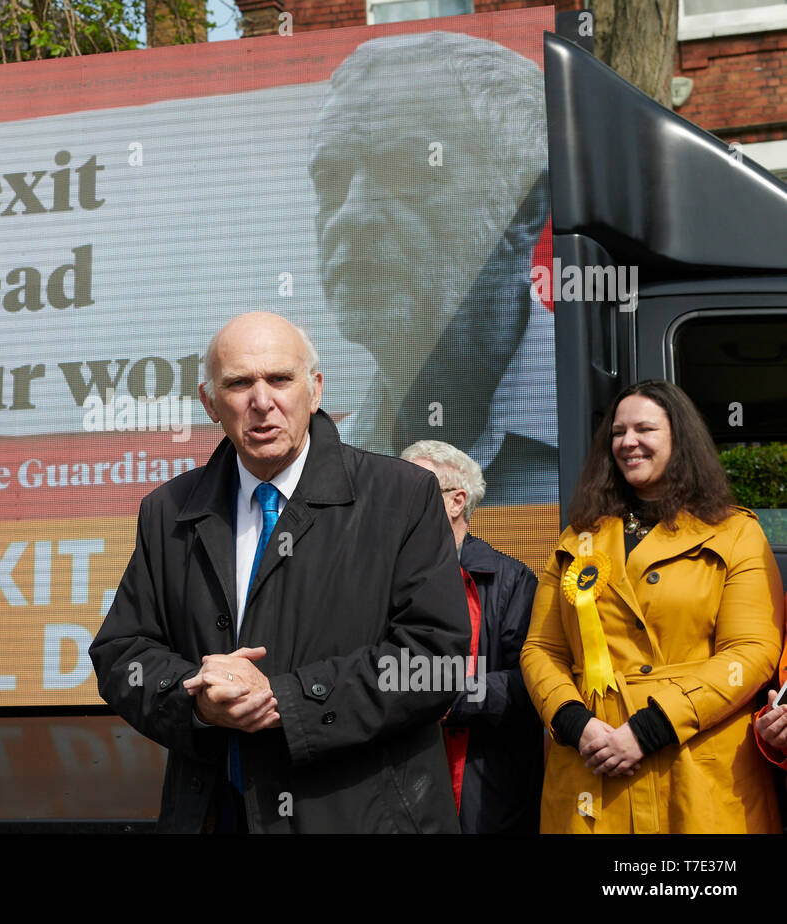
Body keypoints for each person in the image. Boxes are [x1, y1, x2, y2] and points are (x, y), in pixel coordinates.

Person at [88, 310, 471, 833]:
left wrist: (285, 701)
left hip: (360, 817)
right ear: (210, 403)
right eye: (239, 383)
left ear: (314, 390)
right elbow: (121, 653)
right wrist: (198, 699)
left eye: (280, 379)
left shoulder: (401, 496)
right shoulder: (168, 509)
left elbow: (434, 657)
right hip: (214, 814)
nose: (261, 401)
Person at [520, 380, 784, 832]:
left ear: (680, 439)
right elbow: (541, 649)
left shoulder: (736, 533)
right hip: (592, 770)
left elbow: (751, 652)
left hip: (696, 772)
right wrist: (572, 720)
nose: (628, 442)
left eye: (645, 429)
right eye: (617, 432)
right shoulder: (576, 538)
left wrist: (650, 729)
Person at [310, 31, 556, 504]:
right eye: (330, 180)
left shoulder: (609, 426)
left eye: (410, 169)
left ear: (525, 210)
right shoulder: (322, 474)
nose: (352, 216)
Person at [401, 439, 542, 833]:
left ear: (456, 501)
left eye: (412, 489)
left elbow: (529, 681)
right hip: (402, 781)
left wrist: (448, 698)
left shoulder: (511, 581)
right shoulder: (381, 579)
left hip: (487, 786)